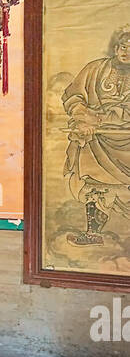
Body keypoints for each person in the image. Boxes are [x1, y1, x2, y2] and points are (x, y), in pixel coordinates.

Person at [62, 26, 130, 246]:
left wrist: (113, 117)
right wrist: (83, 118)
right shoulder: (95, 69)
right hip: (97, 141)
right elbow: (74, 97)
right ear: (115, 48)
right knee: (95, 185)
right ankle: (93, 233)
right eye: (123, 47)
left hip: (125, 139)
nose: (126, 52)